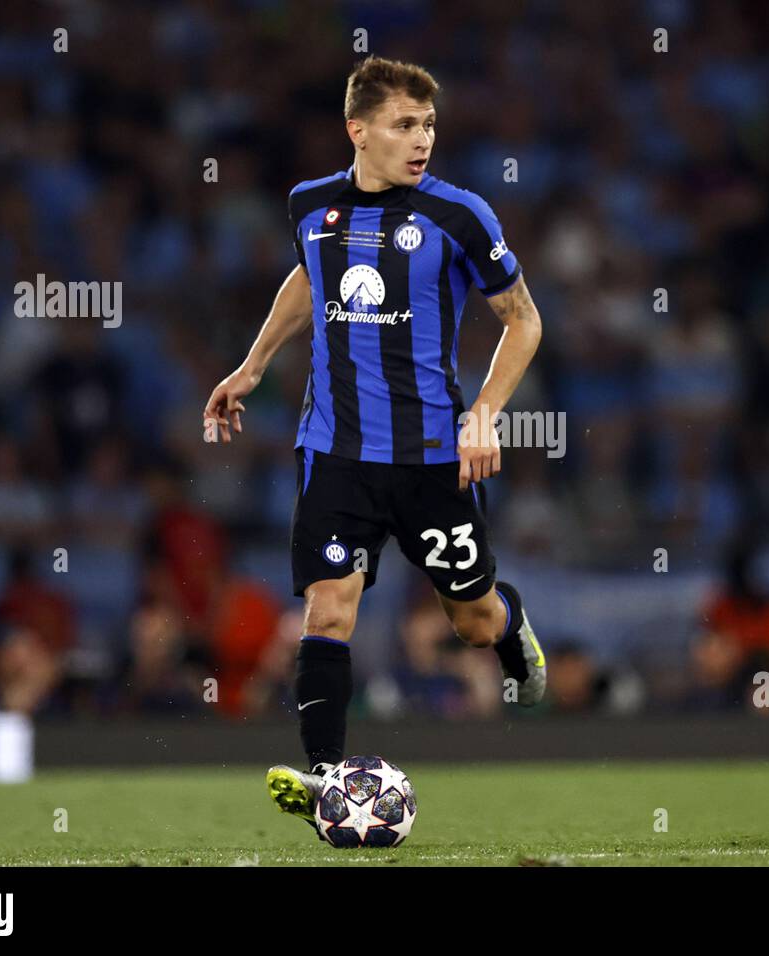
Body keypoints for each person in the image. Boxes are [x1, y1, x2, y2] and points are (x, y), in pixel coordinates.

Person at [203, 56, 547, 836]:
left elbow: (522, 318)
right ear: (358, 131)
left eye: (428, 124)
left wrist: (486, 411)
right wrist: (253, 364)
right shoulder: (310, 205)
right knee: (328, 613)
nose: (421, 139)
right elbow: (308, 277)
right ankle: (326, 777)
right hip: (336, 454)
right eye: (403, 125)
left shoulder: (461, 215)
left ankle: (511, 621)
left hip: (432, 457)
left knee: (472, 624)